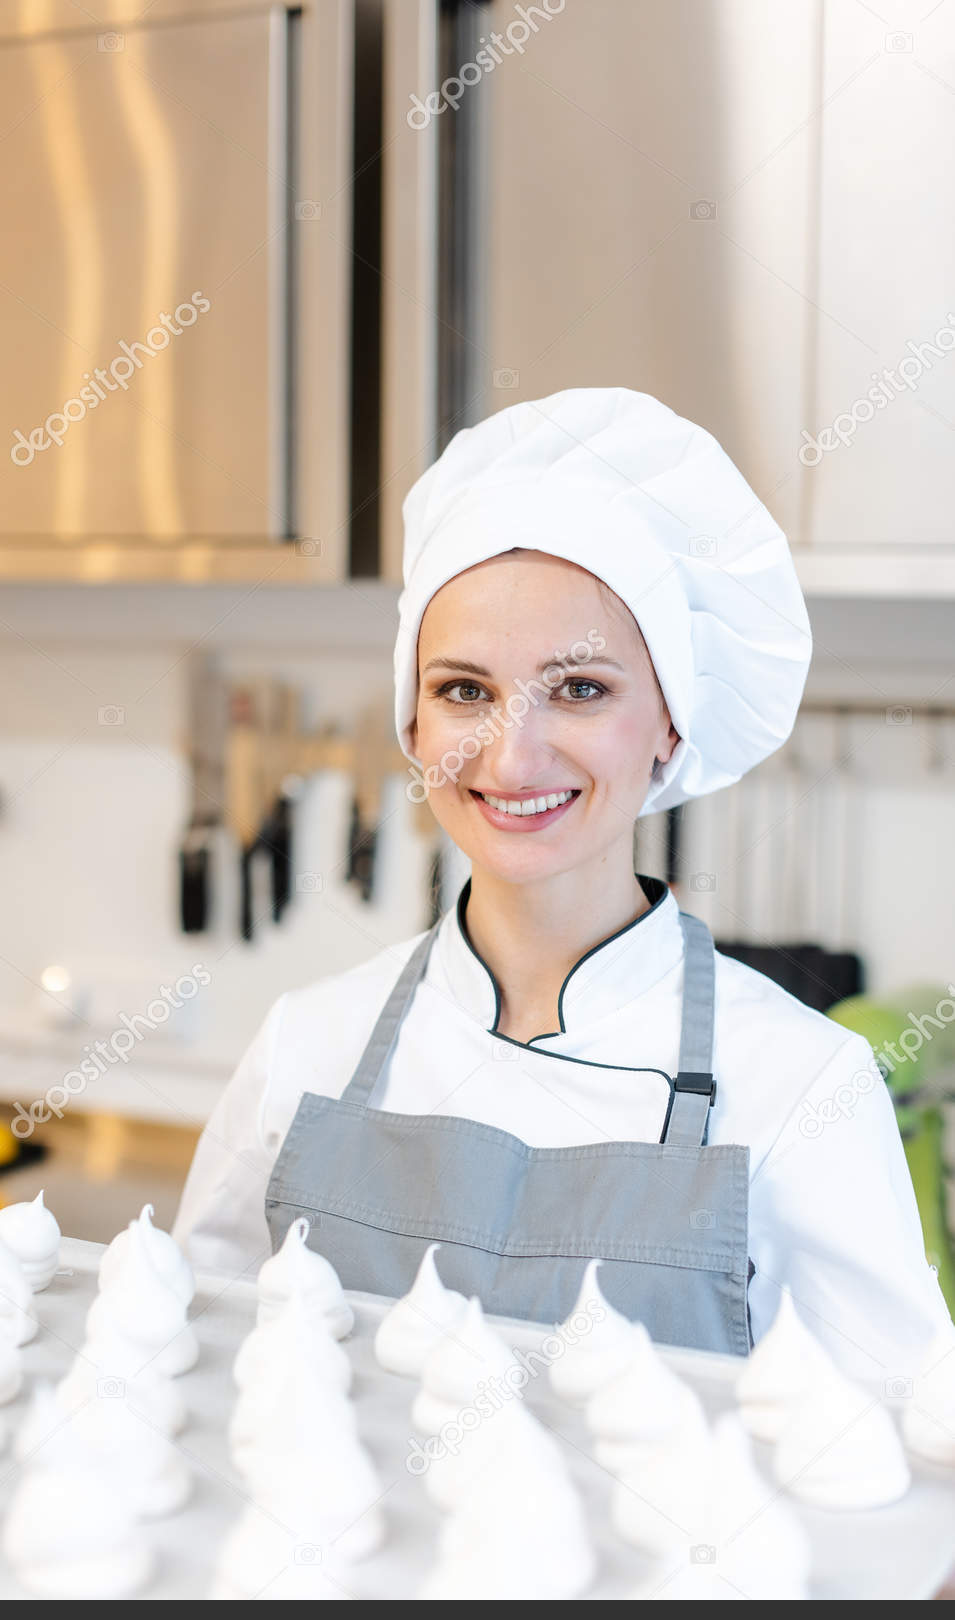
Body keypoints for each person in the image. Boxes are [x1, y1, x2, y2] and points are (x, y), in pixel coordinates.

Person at [172, 387, 952, 1377]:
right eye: (464, 690)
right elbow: (193, 1353)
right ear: (412, 728)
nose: (511, 752)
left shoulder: (800, 1085)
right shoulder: (306, 1042)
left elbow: (897, 1453)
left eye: (578, 688)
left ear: (670, 723)